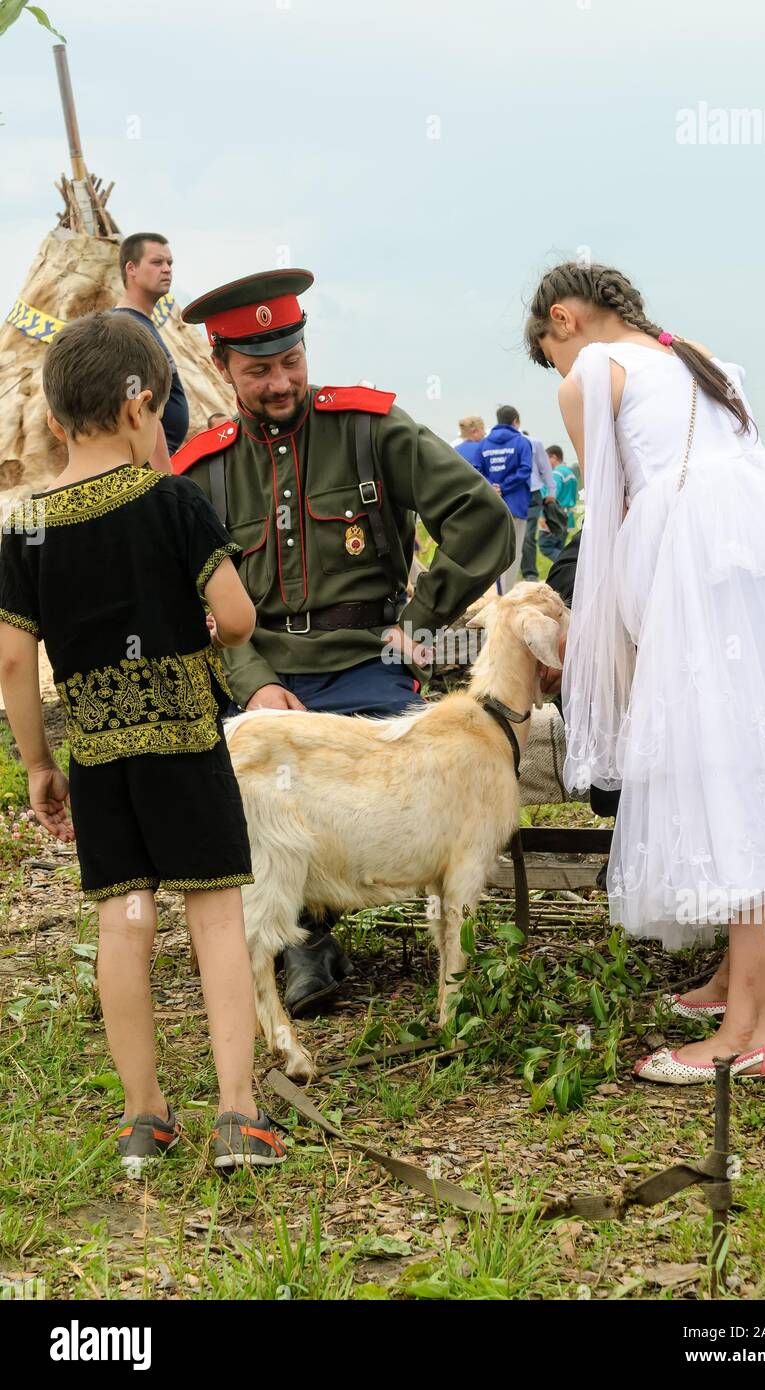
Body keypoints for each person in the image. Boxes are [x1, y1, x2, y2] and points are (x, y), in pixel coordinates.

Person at [525, 261, 765, 1085]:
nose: (555, 373)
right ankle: (731, 983)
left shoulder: (592, 376)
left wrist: (603, 637)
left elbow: (606, 517)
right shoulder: (695, 355)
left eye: (547, 353)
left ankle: (752, 1031)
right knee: (760, 761)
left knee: (735, 773)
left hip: (694, 571)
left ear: (563, 318)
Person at [172, 269, 513, 1016]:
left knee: (398, 764)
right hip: (261, 674)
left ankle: (415, 922)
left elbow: (483, 519)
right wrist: (253, 680)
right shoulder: (203, 473)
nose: (282, 382)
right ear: (222, 368)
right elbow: (194, 598)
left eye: (291, 360)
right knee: (248, 777)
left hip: (366, 664)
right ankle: (304, 940)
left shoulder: (368, 431)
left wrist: (420, 625)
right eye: (258, 370)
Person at [0, 311, 287, 1170]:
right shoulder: (171, 501)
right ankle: (238, 1114)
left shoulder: (23, 529)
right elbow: (236, 618)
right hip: (186, 749)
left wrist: (38, 765)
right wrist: (197, 636)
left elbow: (15, 662)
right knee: (214, 918)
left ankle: (142, 1118)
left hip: (95, 758)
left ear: (53, 422)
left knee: (124, 924)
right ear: (146, 409)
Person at [113, 233, 190, 470]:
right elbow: (142, 408)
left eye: (170, 263)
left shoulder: (141, 324)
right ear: (131, 268)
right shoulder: (128, 328)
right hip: (145, 470)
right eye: (157, 263)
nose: (167, 269)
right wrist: (164, 483)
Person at [477, 405, 533, 592]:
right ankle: (506, 594)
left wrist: (492, 487)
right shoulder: (522, 442)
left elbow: (476, 471)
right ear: (516, 421)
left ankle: (497, 592)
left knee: (497, 551)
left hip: (492, 505)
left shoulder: (484, 444)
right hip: (516, 504)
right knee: (514, 550)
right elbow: (525, 470)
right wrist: (505, 486)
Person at [520, 433, 556, 579]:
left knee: (527, 535)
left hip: (532, 492)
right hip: (512, 493)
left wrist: (551, 490)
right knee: (521, 537)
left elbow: (545, 468)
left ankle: (530, 574)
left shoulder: (533, 442)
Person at [540, 445, 579, 560]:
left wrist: (543, 516)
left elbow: (551, 496)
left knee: (545, 546)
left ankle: (568, 565)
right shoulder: (571, 473)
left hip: (554, 517)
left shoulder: (556, 474)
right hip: (567, 517)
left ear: (553, 457)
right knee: (559, 546)